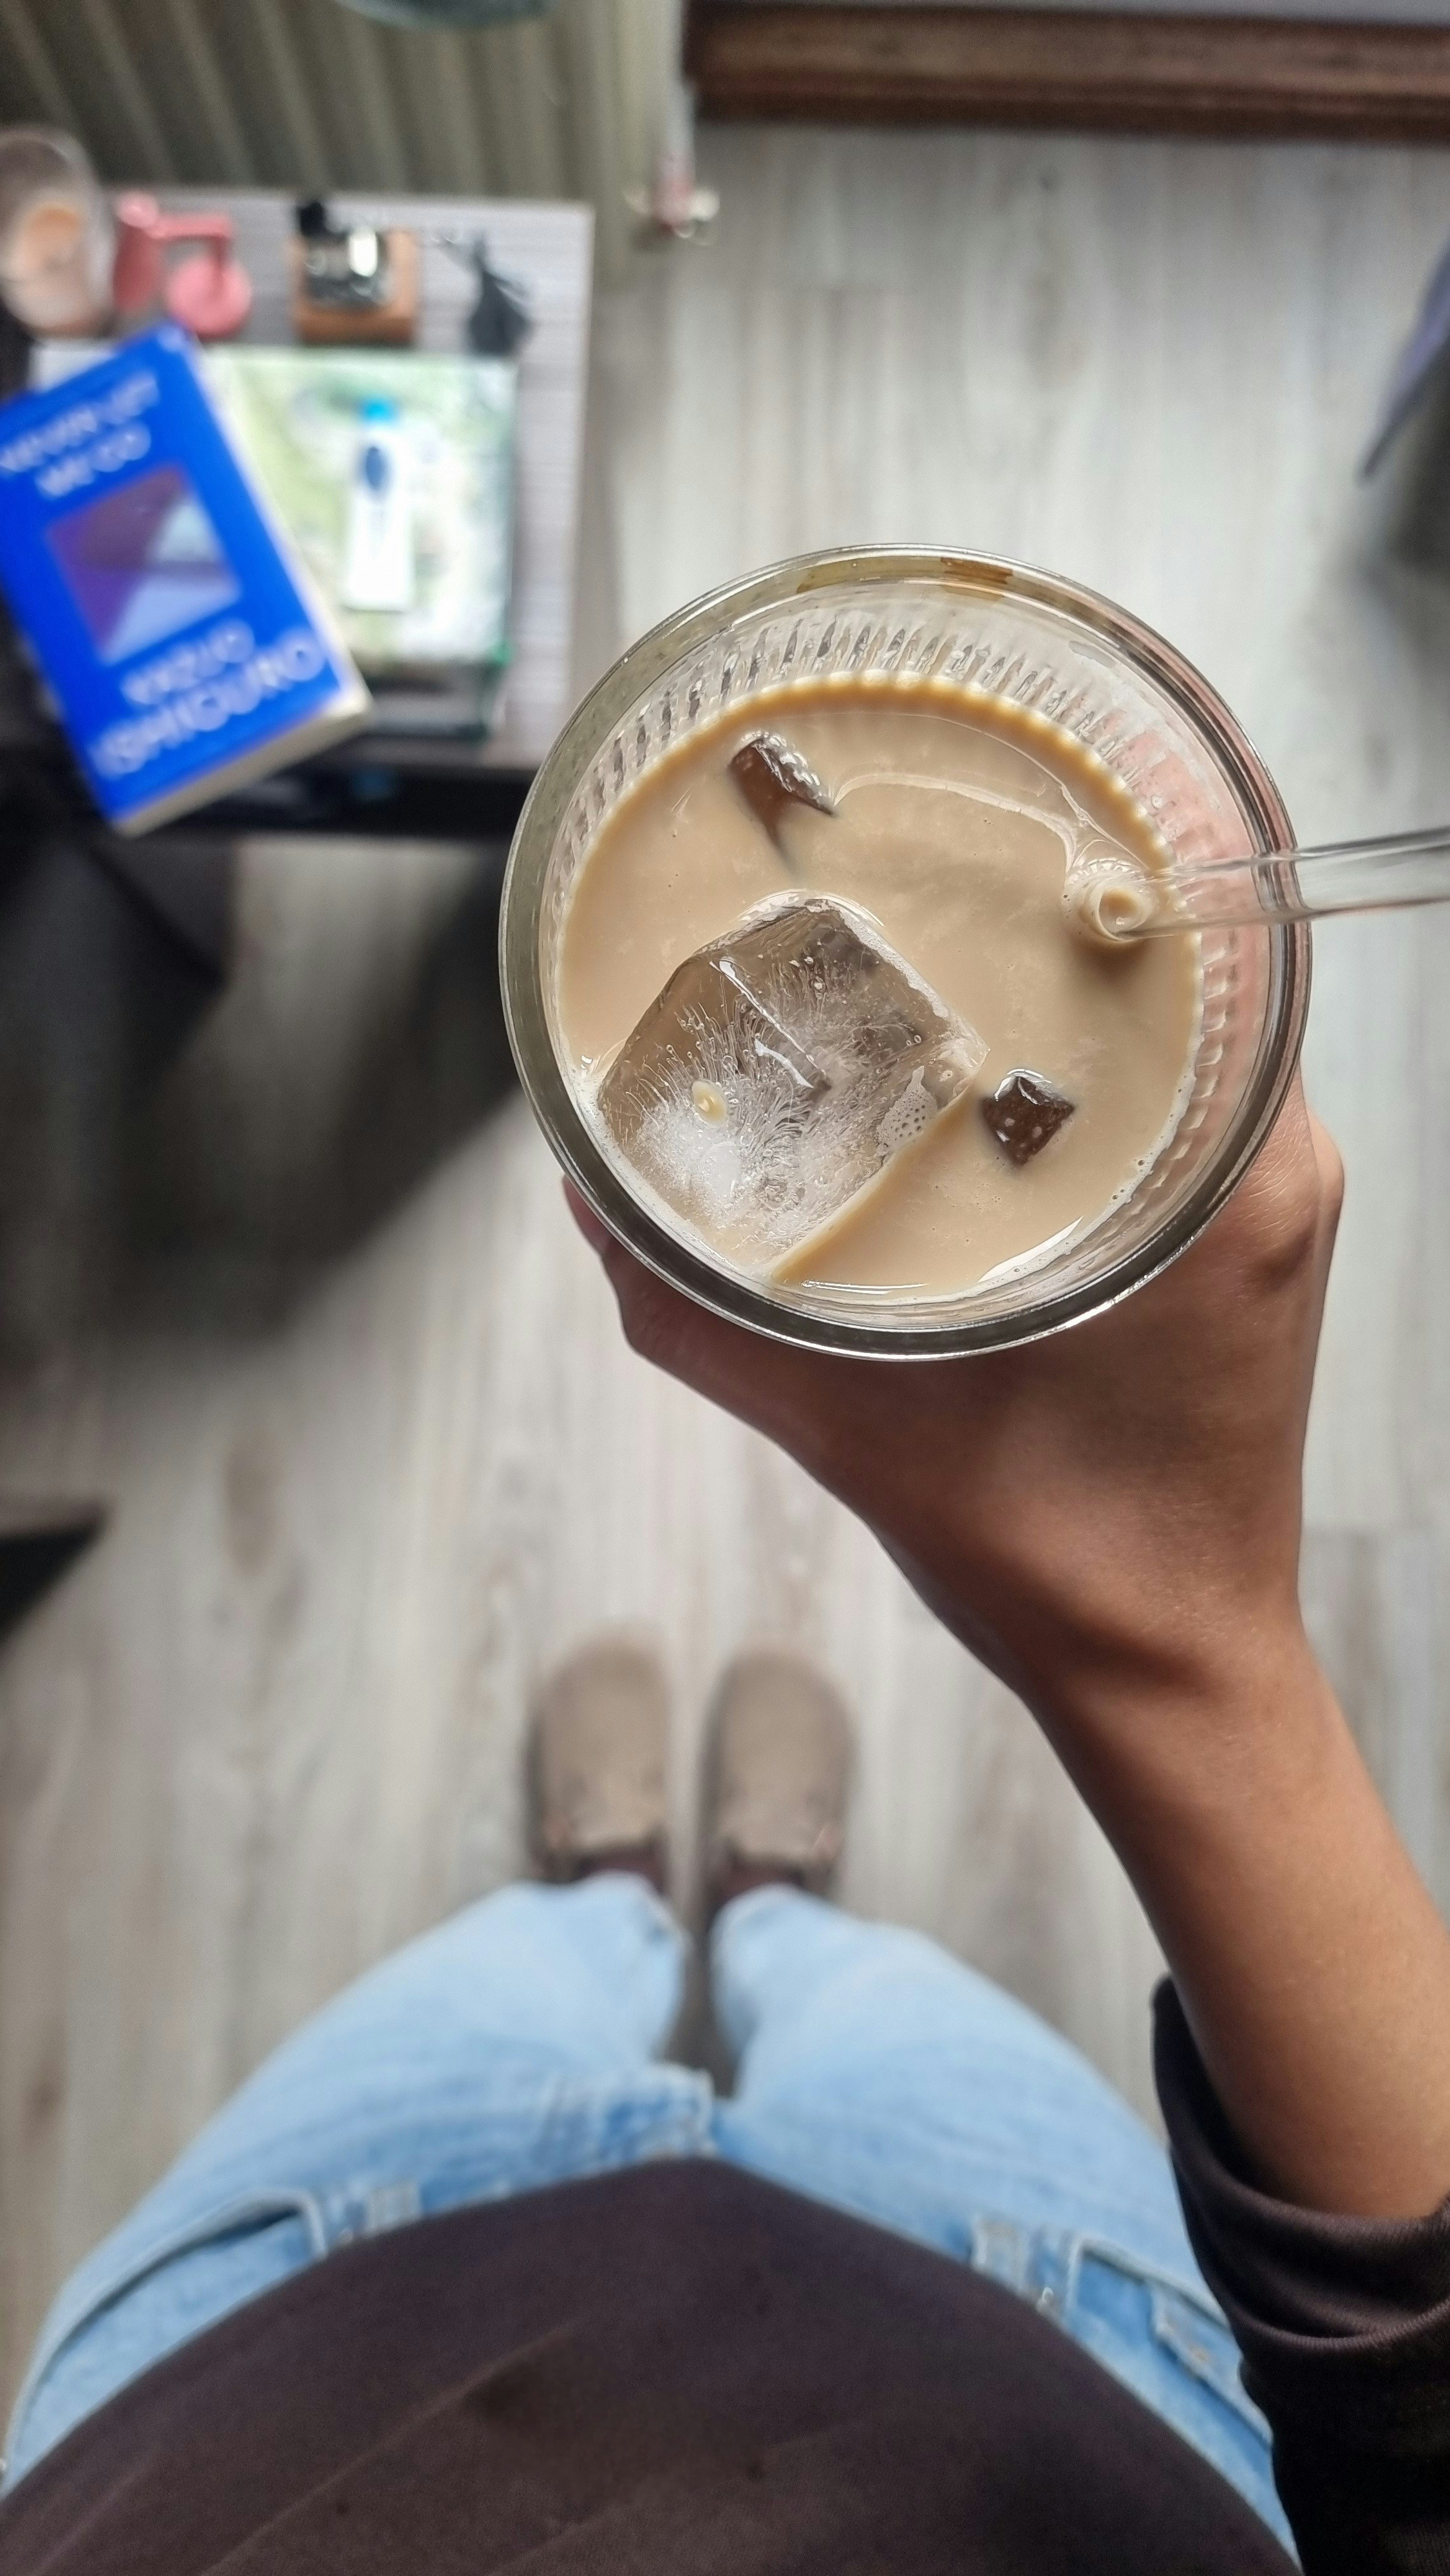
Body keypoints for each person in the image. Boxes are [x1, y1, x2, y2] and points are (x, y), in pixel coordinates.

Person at [1, 1081, 1447, 2574]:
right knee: (853, 1984)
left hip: (283, 2345)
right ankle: (767, 1898)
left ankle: (615, 1883)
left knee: (535, 1951)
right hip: (1047, 2332)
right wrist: (1202, 1662)